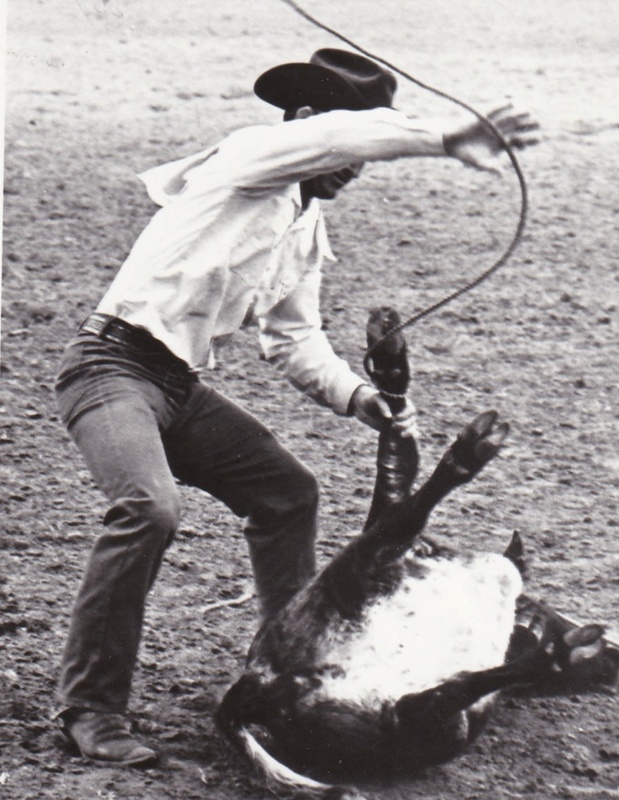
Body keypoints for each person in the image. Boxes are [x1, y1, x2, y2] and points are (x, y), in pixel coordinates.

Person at [53, 48, 539, 766]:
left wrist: (358, 395)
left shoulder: (304, 224)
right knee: (149, 509)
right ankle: (90, 708)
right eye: (355, 137)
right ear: (307, 119)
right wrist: (443, 137)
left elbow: (292, 339)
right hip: (109, 369)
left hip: (178, 388)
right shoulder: (251, 156)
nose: (356, 161)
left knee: (287, 494)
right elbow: (328, 143)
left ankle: (290, 665)